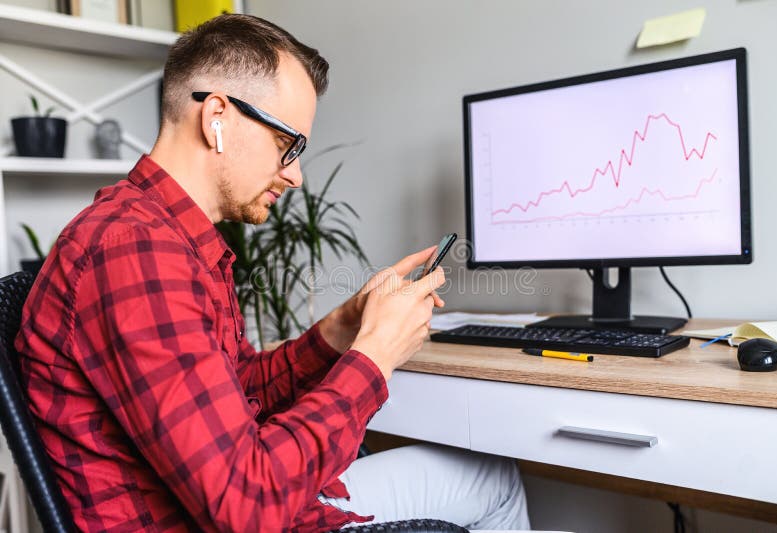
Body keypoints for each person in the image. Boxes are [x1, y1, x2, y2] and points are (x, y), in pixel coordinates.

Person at [15, 14, 531, 532]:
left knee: (490, 477)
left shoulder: (167, 237)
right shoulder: (135, 252)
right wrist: (374, 354)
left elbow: (236, 391)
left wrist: (342, 329)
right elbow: (248, 507)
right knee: (494, 485)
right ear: (217, 116)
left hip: (251, 505)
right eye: (289, 144)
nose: (295, 174)